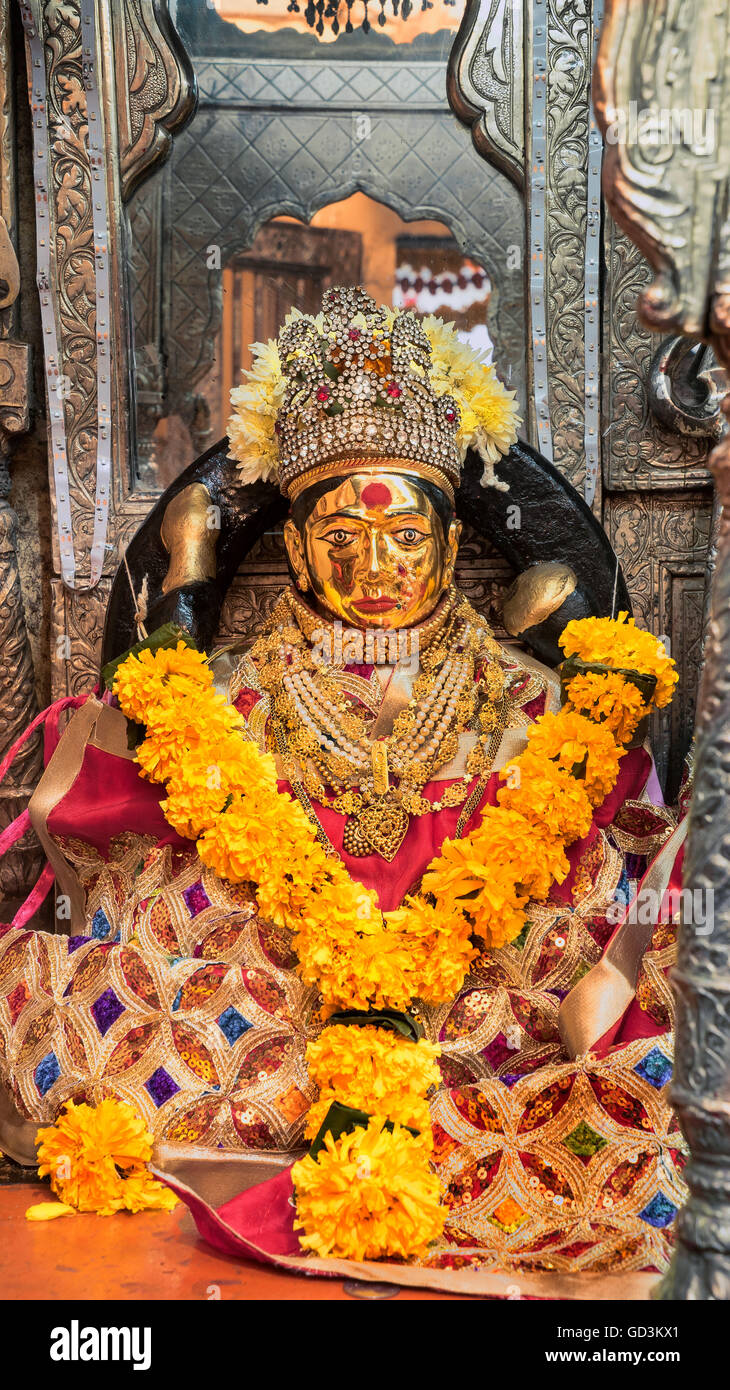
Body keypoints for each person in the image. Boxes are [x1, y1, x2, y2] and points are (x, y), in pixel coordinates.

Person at [0, 288, 685, 1284]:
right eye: (343, 536)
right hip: (267, 1006)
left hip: (485, 1002)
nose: (377, 565)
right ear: (291, 547)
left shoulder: (536, 705)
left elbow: (616, 891)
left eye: (408, 537)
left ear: (453, 544)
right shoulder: (221, 702)